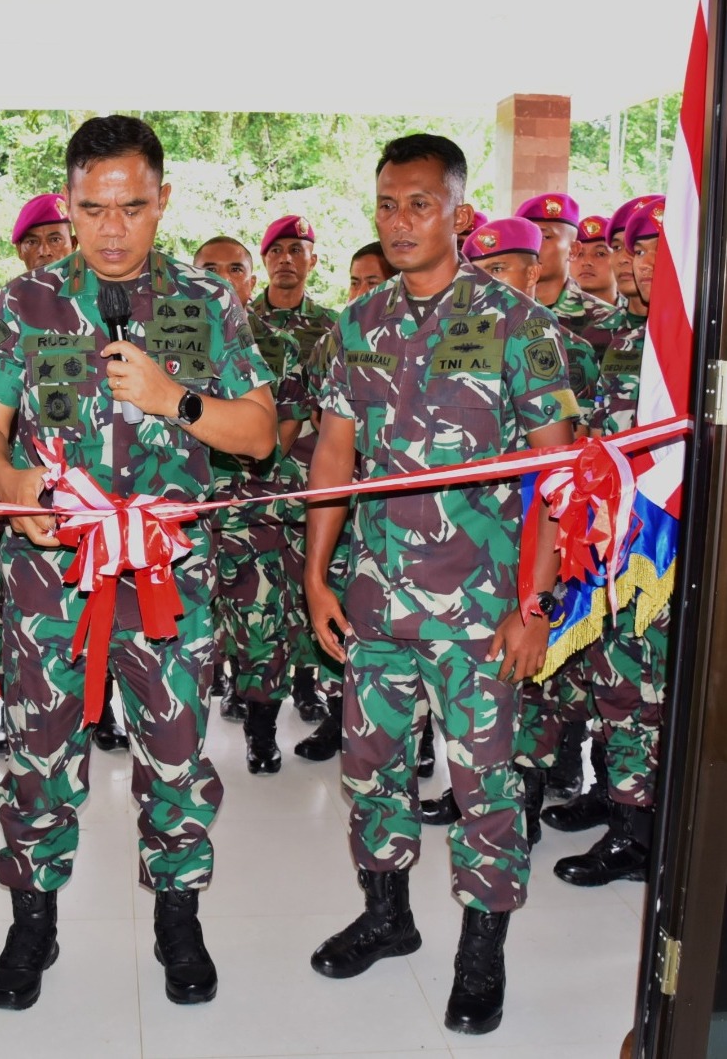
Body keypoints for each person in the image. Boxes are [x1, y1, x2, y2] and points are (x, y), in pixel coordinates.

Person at [0, 115, 276, 1010]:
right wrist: (14, 482)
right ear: (67, 203)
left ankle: (177, 915)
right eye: (92, 207)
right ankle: (33, 916)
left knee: (176, 750)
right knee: (35, 749)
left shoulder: (208, 300)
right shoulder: (21, 303)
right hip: (50, 574)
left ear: (161, 201)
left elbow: (257, 434)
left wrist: (173, 396)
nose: (110, 228)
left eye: (131, 207)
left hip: (167, 577)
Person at [305, 134, 577, 1035]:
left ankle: (480, 950)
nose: (399, 221)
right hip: (377, 602)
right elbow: (335, 454)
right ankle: (388, 918)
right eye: (386, 203)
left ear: (458, 213)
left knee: (483, 786)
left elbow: (555, 476)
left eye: (418, 203)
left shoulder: (519, 325)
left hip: (481, 611)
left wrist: (534, 603)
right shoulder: (357, 322)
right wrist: (316, 574)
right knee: (369, 768)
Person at [419, 215, 600, 839]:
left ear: (535, 266)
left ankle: (522, 791)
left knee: (533, 675)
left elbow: (565, 464)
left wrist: (539, 594)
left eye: (502, 270)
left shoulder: (560, 345)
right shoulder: (463, 334)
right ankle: (490, 787)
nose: (492, 281)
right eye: (483, 270)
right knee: (492, 687)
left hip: (544, 530)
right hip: (484, 536)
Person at [0, 193, 129, 756]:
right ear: (19, 250)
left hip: (127, 520)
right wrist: (6, 480)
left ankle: (103, 706)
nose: (44, 250)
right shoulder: (12, 307)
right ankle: (14, 709)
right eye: (33, 241)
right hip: (38, 514)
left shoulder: (145, 302)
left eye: (54, 238)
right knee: (24, 634)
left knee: (117, 614)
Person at [554, 197, 669, 888]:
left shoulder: (687, 341)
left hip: (661, 546)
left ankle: (636, 830)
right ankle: (612, 793)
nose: (636, 261)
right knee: (611, 675)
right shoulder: (631, 339)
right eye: (633, 248)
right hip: (611, 539)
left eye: (652, 247)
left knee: (640, 682)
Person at [194, 234, 309, 771]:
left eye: (234, 269)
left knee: (265, 623)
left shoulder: (274, 347)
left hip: (257, 506)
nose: (221, 279)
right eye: (208, 269)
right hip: (189, 506)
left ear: (250, 279)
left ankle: (262, 733)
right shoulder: (167, 343)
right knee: (188, 627)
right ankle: (180, 738)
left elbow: (278, 435)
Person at [515, 191, 616, 801]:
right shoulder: (495, 323)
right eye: (535, 229)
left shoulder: (599, 333)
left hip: (577, 511)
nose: (547, 241)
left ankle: (568, 767)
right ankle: (516, 772)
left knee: (575, 645)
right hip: (514, 513)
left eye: (557, 232)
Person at [293, 240, 395, 765]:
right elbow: (322, 415)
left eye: (371, 281)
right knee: (348, 624)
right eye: (354, 281)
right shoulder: (345, 334)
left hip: (447, 552)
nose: (360, 293)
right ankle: (341, 716)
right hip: (354, 516)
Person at [252, 215, 343, 722]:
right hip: (252, 483)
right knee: (259, 593)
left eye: (297, 250)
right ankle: (254, 691)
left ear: (313, 260)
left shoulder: (333, 326)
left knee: (316, 577)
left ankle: (309, 683)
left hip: (316, 481)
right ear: (265, 260)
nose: (287, 259)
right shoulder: (238, 322)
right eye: (277, 250)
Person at [570, 213, 618, 305]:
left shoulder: (638, 312)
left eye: (600, 254)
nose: (586, 262)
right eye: (579, 254)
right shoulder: (548, 315)